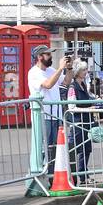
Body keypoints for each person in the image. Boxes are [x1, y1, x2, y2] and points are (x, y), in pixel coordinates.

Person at [28, 45, 72, 185]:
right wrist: (60, 69)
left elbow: (66, 82)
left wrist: (69, 68)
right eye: (48, 55)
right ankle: (42, 177)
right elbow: (47, 84)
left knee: (55, 148)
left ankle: (54, 177)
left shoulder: (52, 70)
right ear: (40, 57)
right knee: (45, 148)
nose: (51, 57)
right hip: (44, 115)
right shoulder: (34, 72)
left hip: (56, 114)